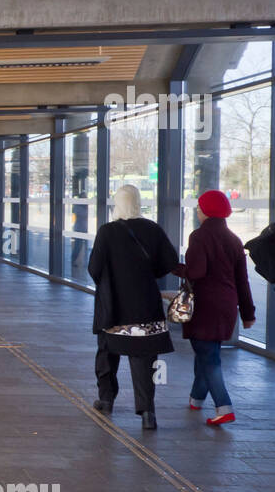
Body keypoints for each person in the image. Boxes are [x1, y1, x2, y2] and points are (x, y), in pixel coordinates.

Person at [88, 184, 179, 430]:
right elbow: (169, 262)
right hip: (146, 304)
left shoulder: (107, 232)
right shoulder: (153, 229)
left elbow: (93, 268)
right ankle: (147, 411)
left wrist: (109, 282)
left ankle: (106, 399)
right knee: (144, 359)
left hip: (115, 305)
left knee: (107, 351)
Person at [174, 190, 256, 426]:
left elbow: (196, 272)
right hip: (227, 306)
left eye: (199, 207)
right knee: (207, 352)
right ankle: (196, 398)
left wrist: (177, 269)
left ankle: (224, 406)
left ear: (206, 211)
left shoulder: (199, 236)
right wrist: (247, 314)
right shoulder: (234, 239)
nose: (198, 211)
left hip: (205, 306)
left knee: (209, 357)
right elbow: (243, 280)